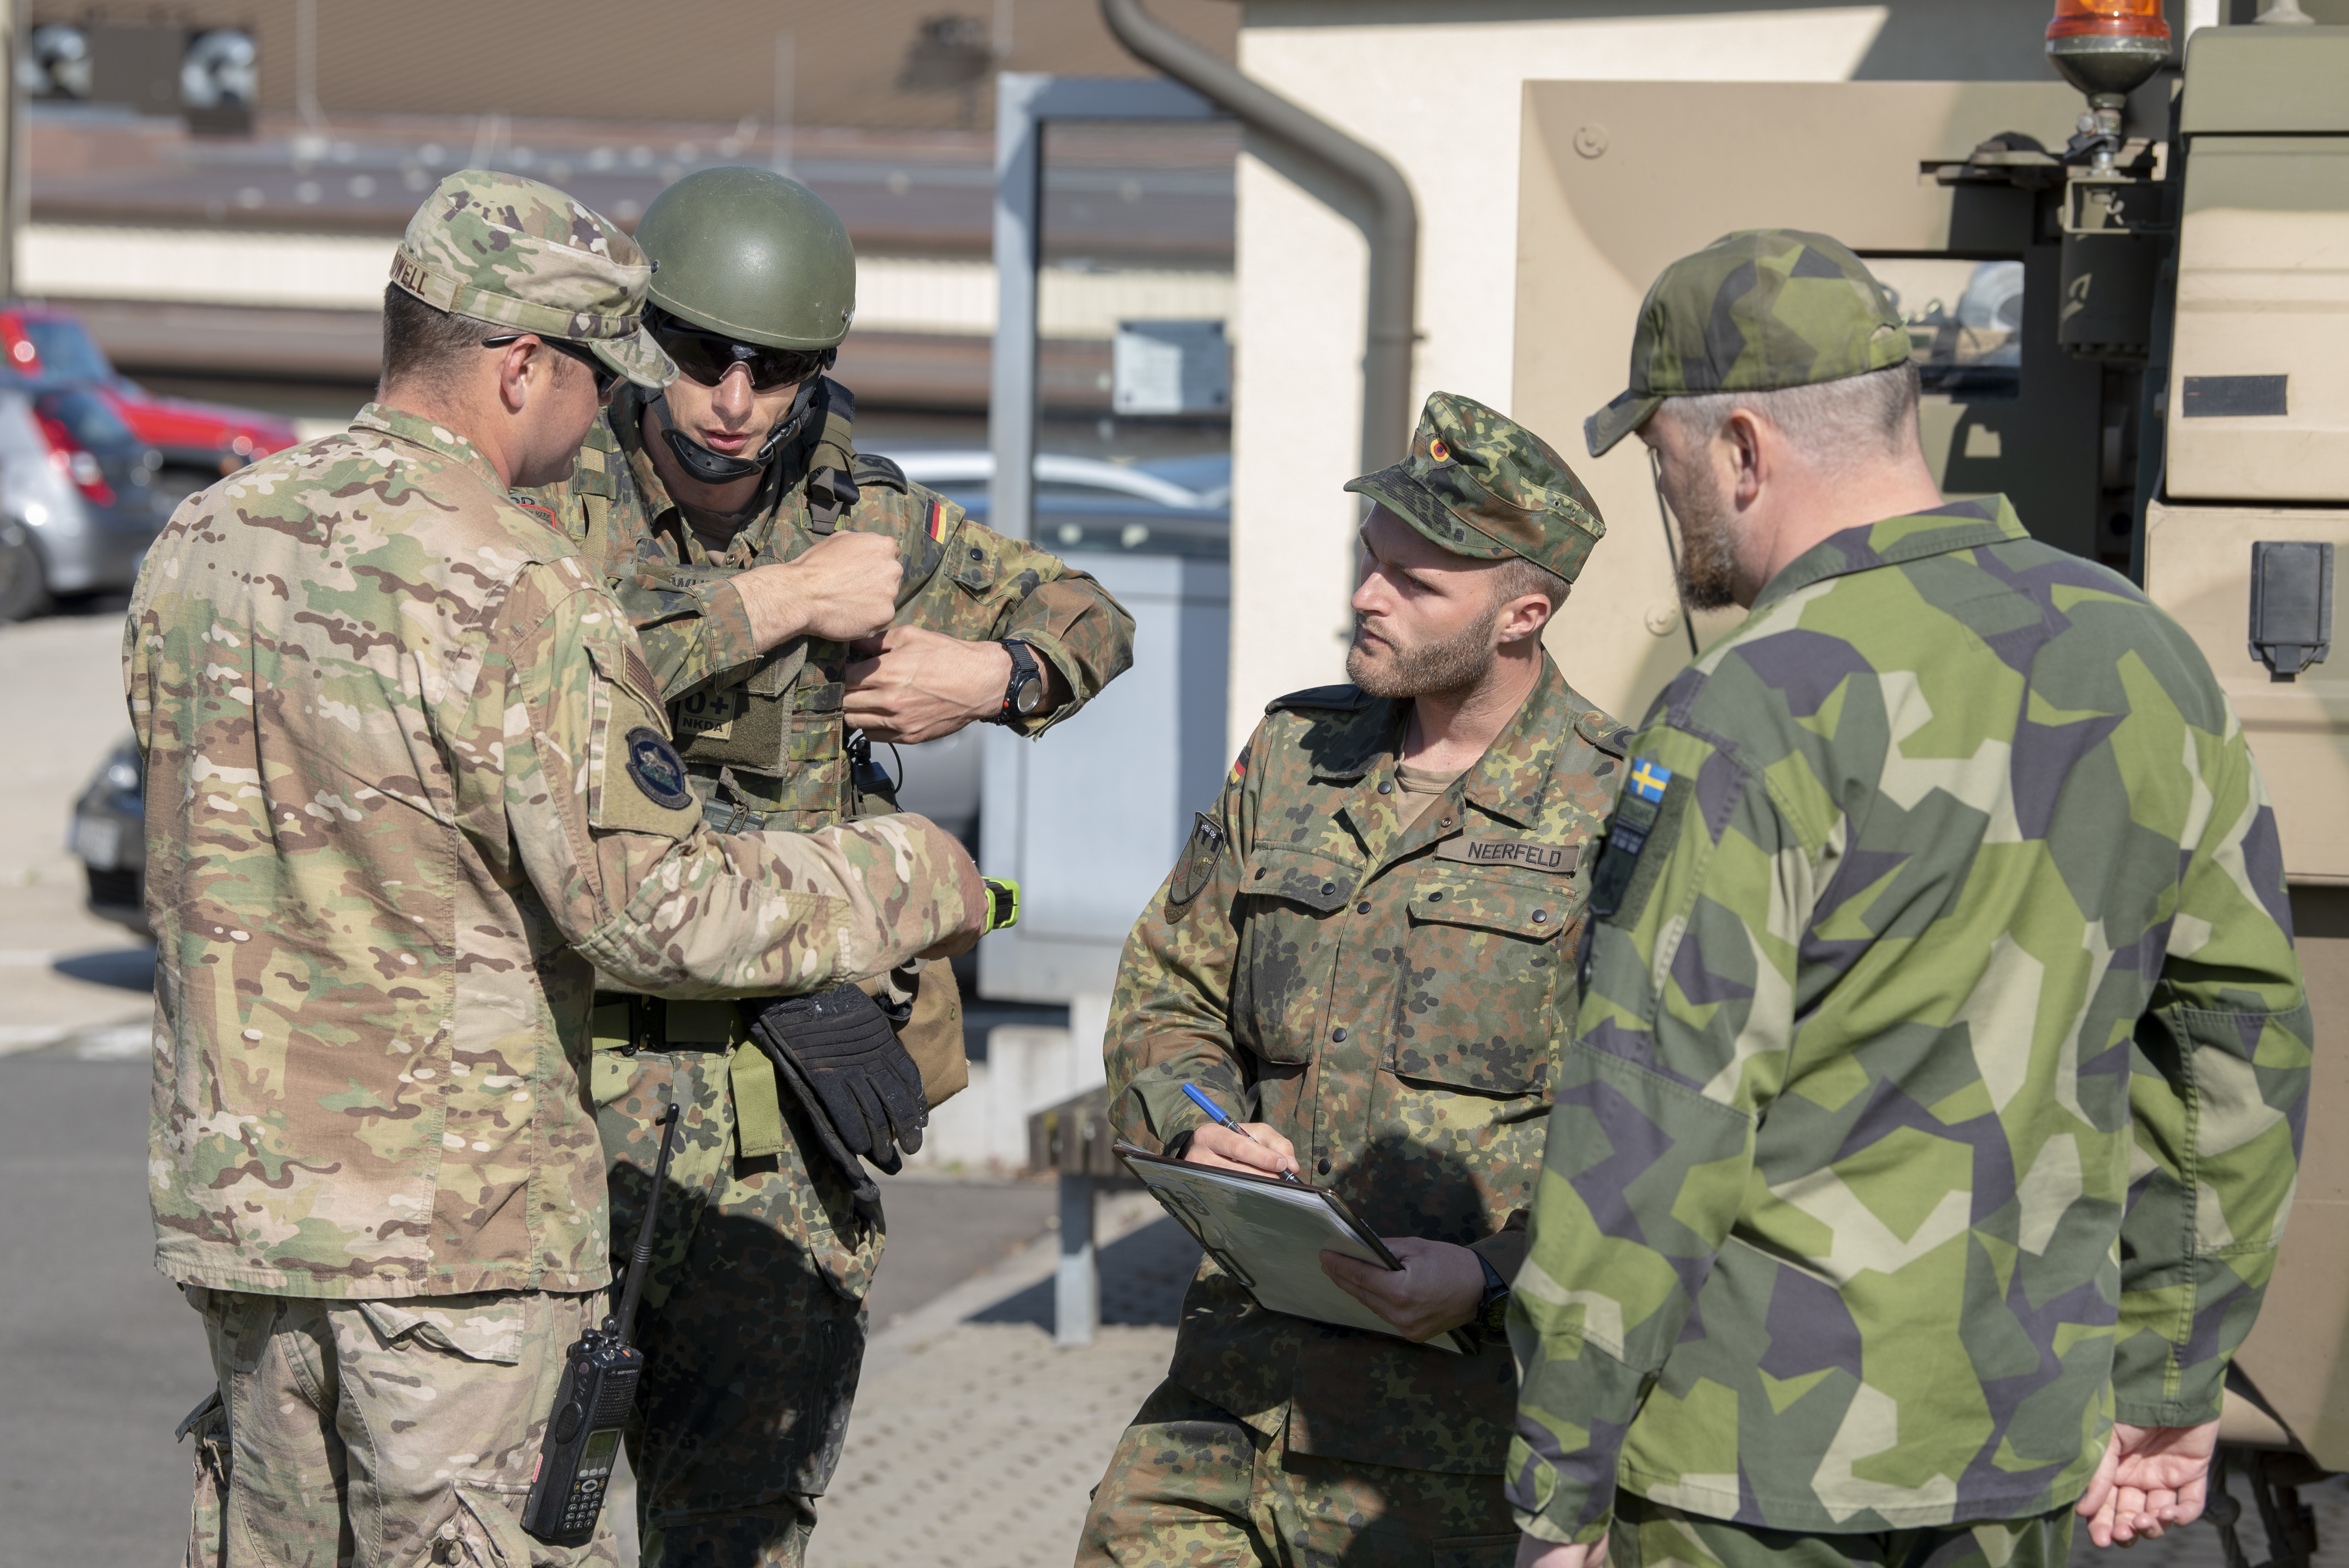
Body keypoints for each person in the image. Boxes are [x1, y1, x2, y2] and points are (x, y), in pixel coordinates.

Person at [131, 170, 993, 1568]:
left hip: (244, 1213)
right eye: (603, 376)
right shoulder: (514, 580)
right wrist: (905, 872)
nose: (611, 413)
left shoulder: (208, 538)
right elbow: (652, 910)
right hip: (452, 1245)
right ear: (526, 365)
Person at [1508, 229, 2313, 1568]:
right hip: (2023, 1450)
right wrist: (2171, 1384)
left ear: (1743, 450)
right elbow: (2239, 1048)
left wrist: (1559, 1485)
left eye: (1664, 467)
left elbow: (1650, 1113)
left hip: (1745, 1481)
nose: (1673, 509)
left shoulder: (1747, 704)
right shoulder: (2149, 657)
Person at [521, 164, 1135, 1567]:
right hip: (556, 1104)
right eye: (700, 355)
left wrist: (987, 671)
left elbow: (1094, 620)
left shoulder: (867, 509)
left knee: (741, 1521)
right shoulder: (555, 498)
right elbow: (545, 674)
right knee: (503, 1517)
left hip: (778, 1123)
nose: (733, 396)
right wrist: (786, 603)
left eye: (776, 364)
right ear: (641, 343)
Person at [1079, 393, 1621, 1568]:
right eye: (1370, 563)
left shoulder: (1610, 814)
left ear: (1523, 612)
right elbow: (1169, 989)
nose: (1368, 599)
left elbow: (1653, 1122)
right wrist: (1199, 1120)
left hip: (1455, 1441)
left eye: (1417, 585)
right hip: (1228, 1401)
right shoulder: (1294, 754)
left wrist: (1492, 1272)